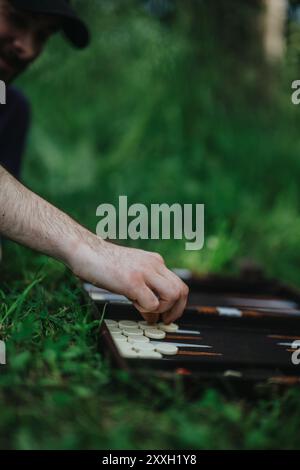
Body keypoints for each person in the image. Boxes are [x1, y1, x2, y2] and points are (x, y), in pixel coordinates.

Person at [0, 0, 189, 324]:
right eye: (17, 19)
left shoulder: (11, 110)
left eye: (44, 35)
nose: (28, 48)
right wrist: (91, 250)